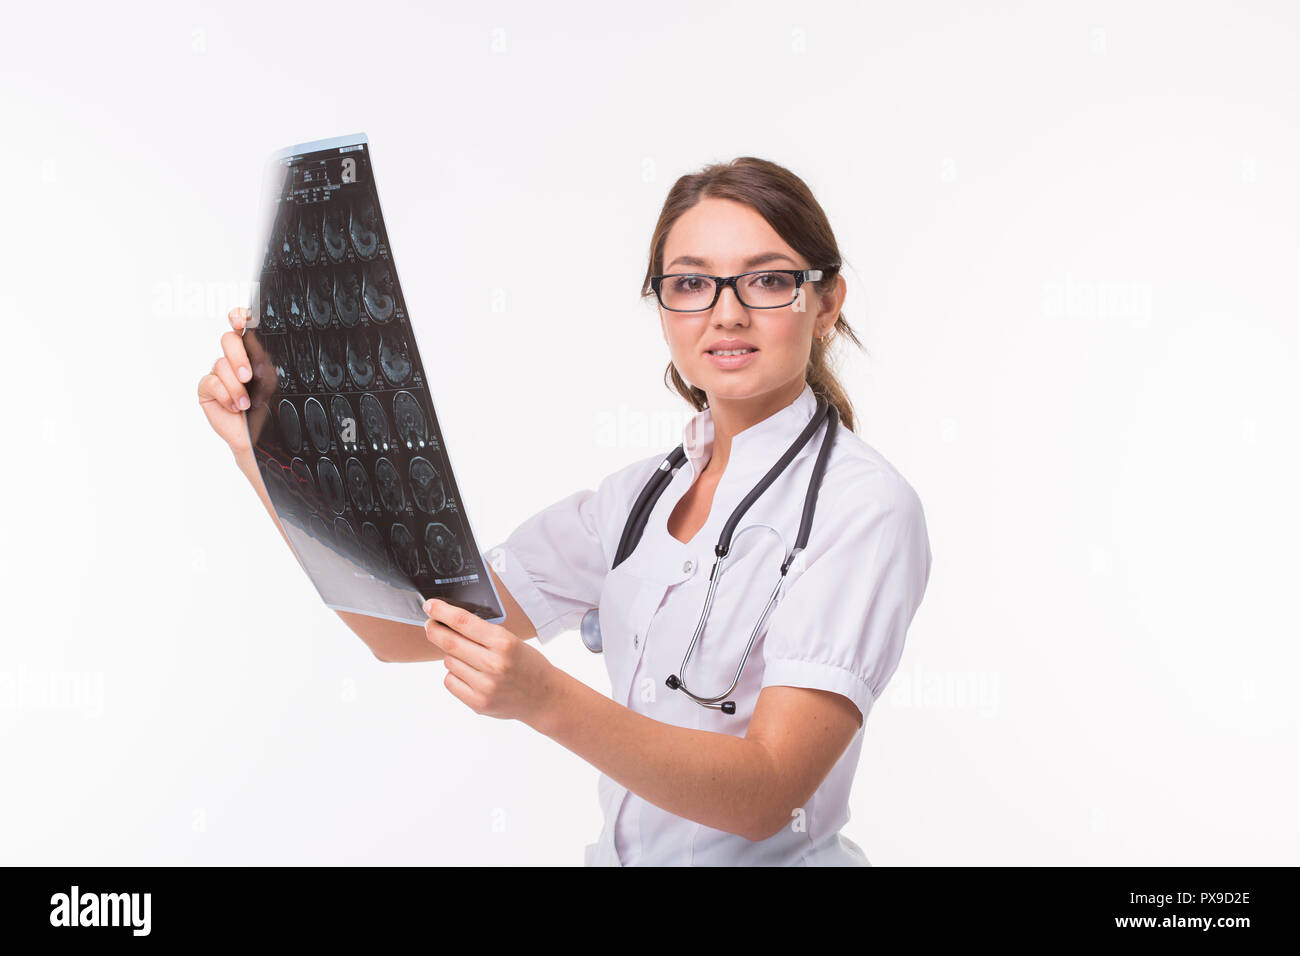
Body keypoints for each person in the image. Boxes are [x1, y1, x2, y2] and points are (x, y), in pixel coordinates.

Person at [198, 156, 932, 866]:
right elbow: (406, 629)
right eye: (691, 284)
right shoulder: (635, 500)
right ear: (664, 306)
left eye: (768, 281)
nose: (726, 314)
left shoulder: (861, 509)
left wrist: (546, 698)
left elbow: (771, 791)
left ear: (826, 302)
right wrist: (258, 452)